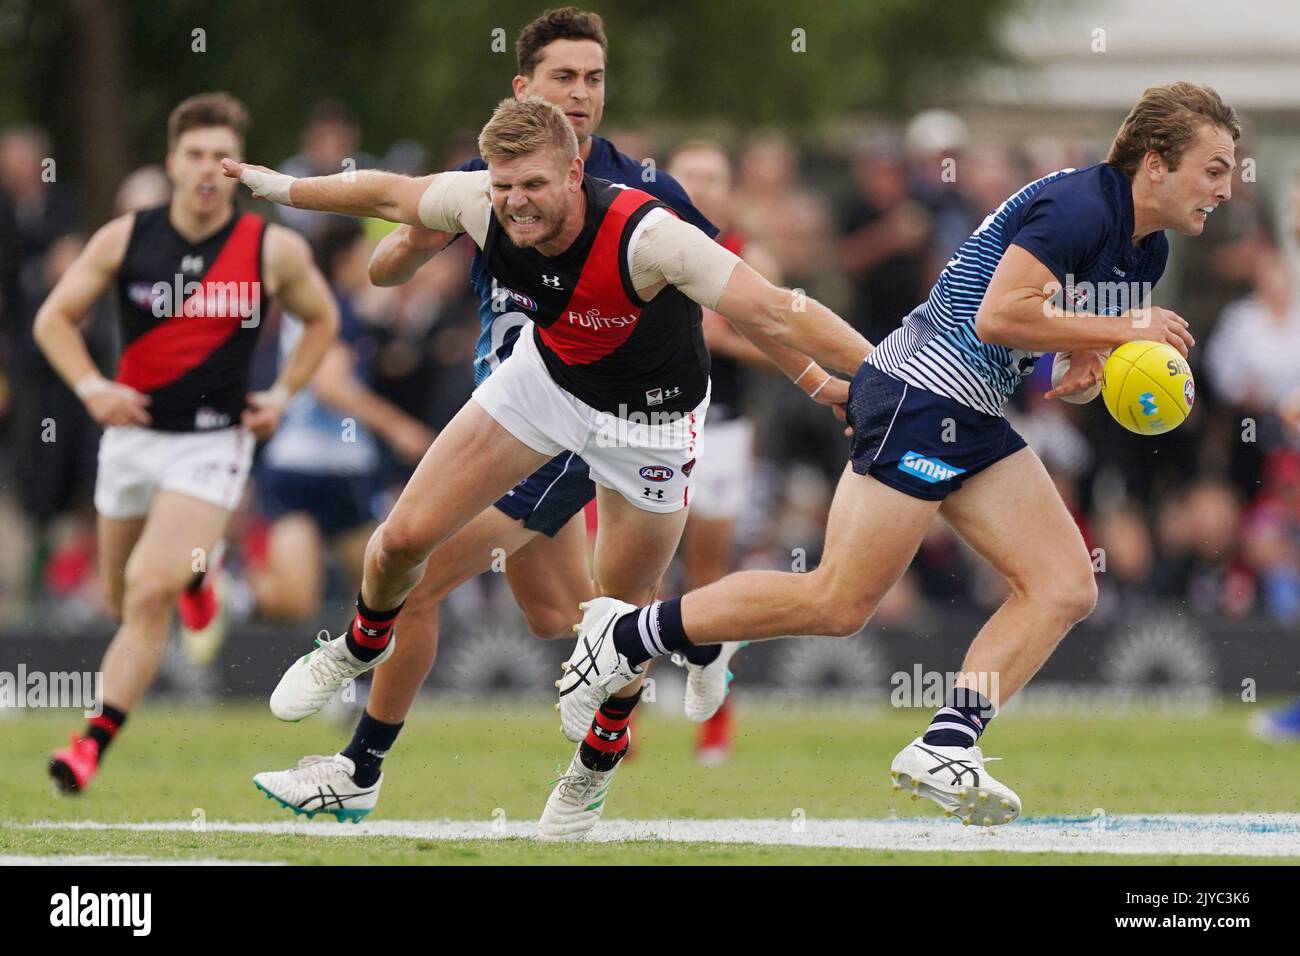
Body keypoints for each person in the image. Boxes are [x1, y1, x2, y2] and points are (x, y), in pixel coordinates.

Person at [561, 81, 1232, 828]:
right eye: (1214, 168)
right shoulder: (1082, 204)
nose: (1226, 188)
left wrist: (1089, 372)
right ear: (1156, 162)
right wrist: (1118, 331)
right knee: (837, 600)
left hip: (972, 410)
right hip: (920, 391)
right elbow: (999, 314)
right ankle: (623, 635)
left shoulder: (1147, 250)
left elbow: (1054, 355)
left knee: (1064, 584)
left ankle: (948, 743)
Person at [224, 92, 868, 836]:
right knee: (400, 544)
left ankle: (590, 772)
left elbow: (775, 311)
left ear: (572, 173)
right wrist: (282, 187)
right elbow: (385, 194)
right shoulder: (480, 201)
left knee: (622, 624)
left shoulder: (649, 232)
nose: (516, 203)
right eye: (503, 186)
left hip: (651, 426)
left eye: (532, 185)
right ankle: (356, 648)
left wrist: (876, 374)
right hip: (546, 384)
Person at [250, 7, 728, 821]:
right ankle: (697, 629)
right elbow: (381, 272)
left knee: (418, 578)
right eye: (563, 78)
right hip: (503, 413)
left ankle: (358, 770)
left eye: (594, 78)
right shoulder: (490, 175)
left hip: (582, 424)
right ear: (523, 91)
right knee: (558, 616)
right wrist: (417, 238)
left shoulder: (641, 188)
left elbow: (716, 292)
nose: (580, 95)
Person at [34, 92, 339, 793]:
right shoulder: (124, 237)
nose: (207, 170)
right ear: (172, 161)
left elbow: (320, 321)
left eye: (221, 159)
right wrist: (91, 389)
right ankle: (204, 581)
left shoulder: (273, 248)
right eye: (195, 155)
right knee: (118, 601)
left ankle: (88, 744)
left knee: (146, 590)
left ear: (237, 170)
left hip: (211, 442)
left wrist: (284, 395)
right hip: (132, 439)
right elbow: (54, 320)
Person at [665, 139, 783, 763]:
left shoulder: (746, 254)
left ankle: (714, 718)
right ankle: (615, 717)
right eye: (692, 176)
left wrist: (722, 336)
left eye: (714, 177)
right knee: (633, 578)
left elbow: (783, 342)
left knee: (704, 577)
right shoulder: (639, 236)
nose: (703, 188)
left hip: (722, 429)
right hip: (646, 424)